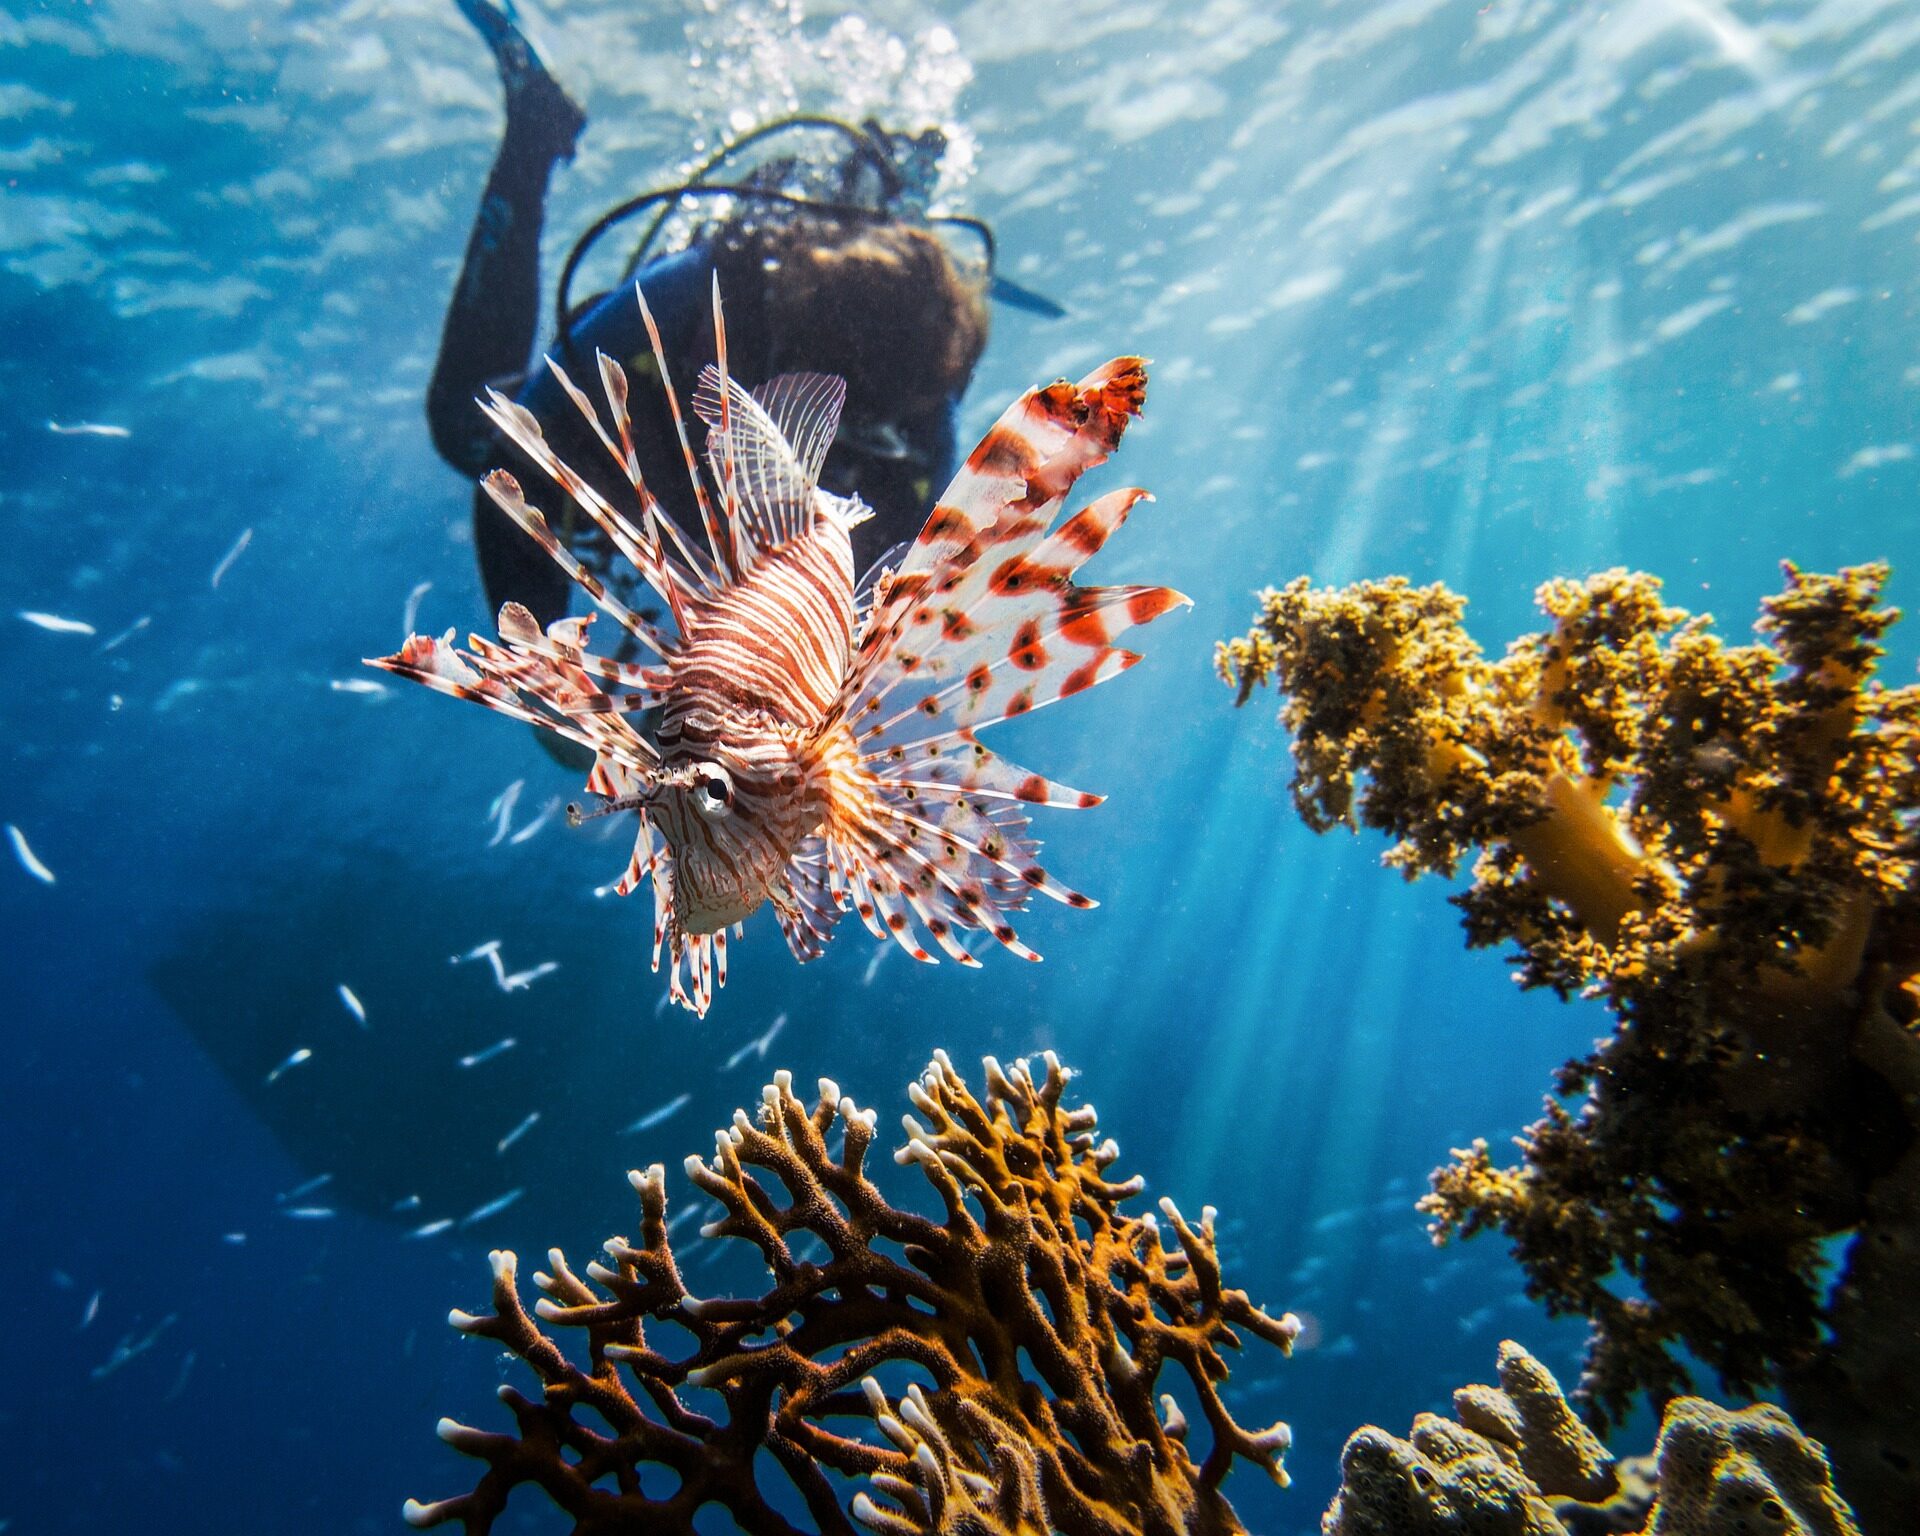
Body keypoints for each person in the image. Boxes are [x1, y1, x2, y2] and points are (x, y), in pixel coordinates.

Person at [427, 0, 1016, 642]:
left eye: (871, 431)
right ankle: (535, 129)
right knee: (466, 426)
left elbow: (896, 614)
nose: (822, 453)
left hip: (714, 534)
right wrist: (540, 660)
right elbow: (517, 449)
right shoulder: (705, 291)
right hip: (655, 436)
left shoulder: (919, 410)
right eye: (828, 416)